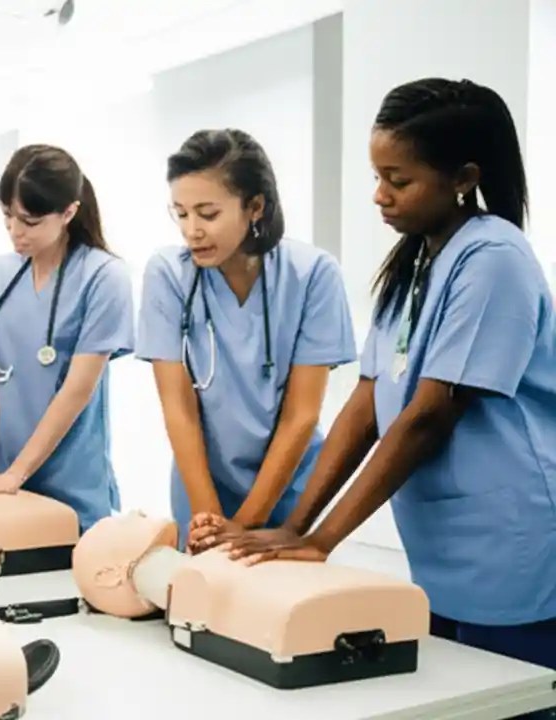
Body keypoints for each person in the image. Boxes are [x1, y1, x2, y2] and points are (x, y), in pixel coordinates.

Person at [215, 78, 556, 676]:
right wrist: (295, 528)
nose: (379, 195)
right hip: (443, 544)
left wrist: (321, 541)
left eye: (398, 180)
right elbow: (365, 408)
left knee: (511, 695)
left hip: (513, 541)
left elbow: (428, 417)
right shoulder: (417, 261)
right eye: (377, 177)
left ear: (464, 178)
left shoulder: (494, 258)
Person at [136, 129, 357, 552]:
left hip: (290, 484)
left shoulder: (312, 274)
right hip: (203, 482)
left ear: (255, 206)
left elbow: (301, 415)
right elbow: (178, 407)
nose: (192, 231)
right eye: (180, 213)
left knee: (281, 606)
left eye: (207, 213)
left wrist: (248, 523)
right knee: (205, 608)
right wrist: (209, 522)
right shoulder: (168, 274)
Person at [0, 145, 134, 534]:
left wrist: (15, 475)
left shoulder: (104, 277)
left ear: (69, 212)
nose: (15, 231)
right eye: (7, 216)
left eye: (30, 221)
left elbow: (77, 389)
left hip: (72, 488)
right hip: (3, 490)